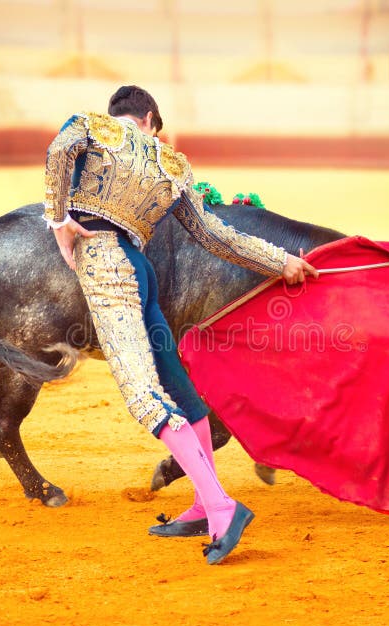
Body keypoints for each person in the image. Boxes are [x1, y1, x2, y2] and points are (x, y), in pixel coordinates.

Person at [44, 85, 317, 565]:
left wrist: (58, 217)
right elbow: (215, 234)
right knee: (177, 387)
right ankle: (200, 505)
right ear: (150, 118)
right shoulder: (173, 165)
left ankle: (220, 507)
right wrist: (280, 261)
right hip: (140, 269)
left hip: (108, 267)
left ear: (122, 114)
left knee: (143, 395)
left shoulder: (92, 125)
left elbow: (60, 148)